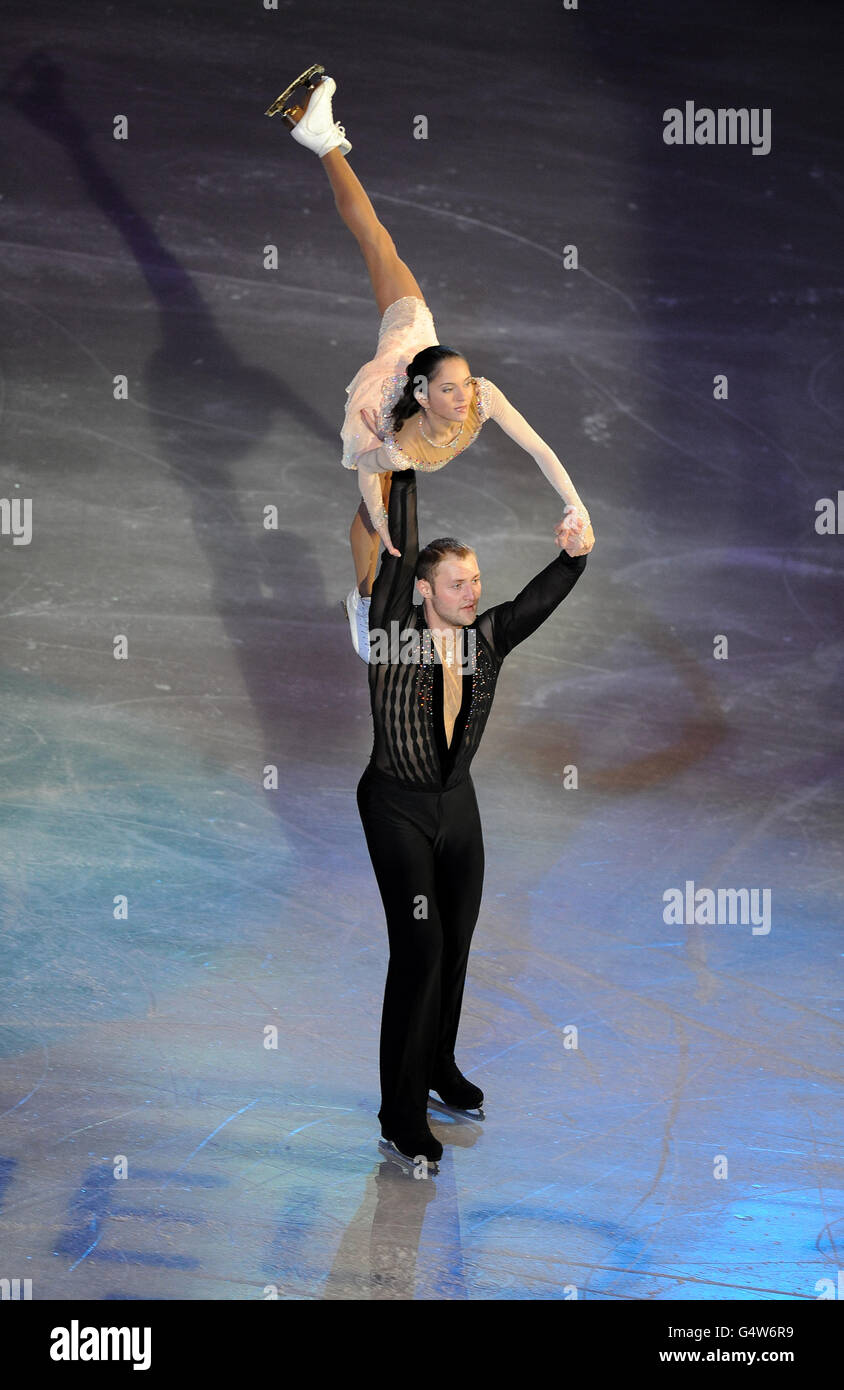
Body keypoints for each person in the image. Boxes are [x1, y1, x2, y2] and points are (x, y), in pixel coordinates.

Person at [265, 66, 595, 662]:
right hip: (394, 375)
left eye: (465, 384)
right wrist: (378, 519)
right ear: (423, 397)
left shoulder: (480, 396)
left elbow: (541, 449)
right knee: (375, 524)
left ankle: (321, 139)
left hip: (415, 334)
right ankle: (361, 603)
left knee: (378, 243)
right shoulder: (397, 436)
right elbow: (369, 481)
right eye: (452, 390)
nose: (466, 396)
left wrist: (575, 504)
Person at [356, 463, 588, 1168]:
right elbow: (396, 541)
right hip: (396, 808)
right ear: (424, 591)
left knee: (454, 947)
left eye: (476, 580)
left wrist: (574, 554)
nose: (473, 592)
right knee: (419, 951)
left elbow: (536, 602)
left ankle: (437, 1067)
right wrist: (401, 459)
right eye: (458, 584)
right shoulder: (394, 630)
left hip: (458, 810)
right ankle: (399, 1118)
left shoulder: (486, 641)